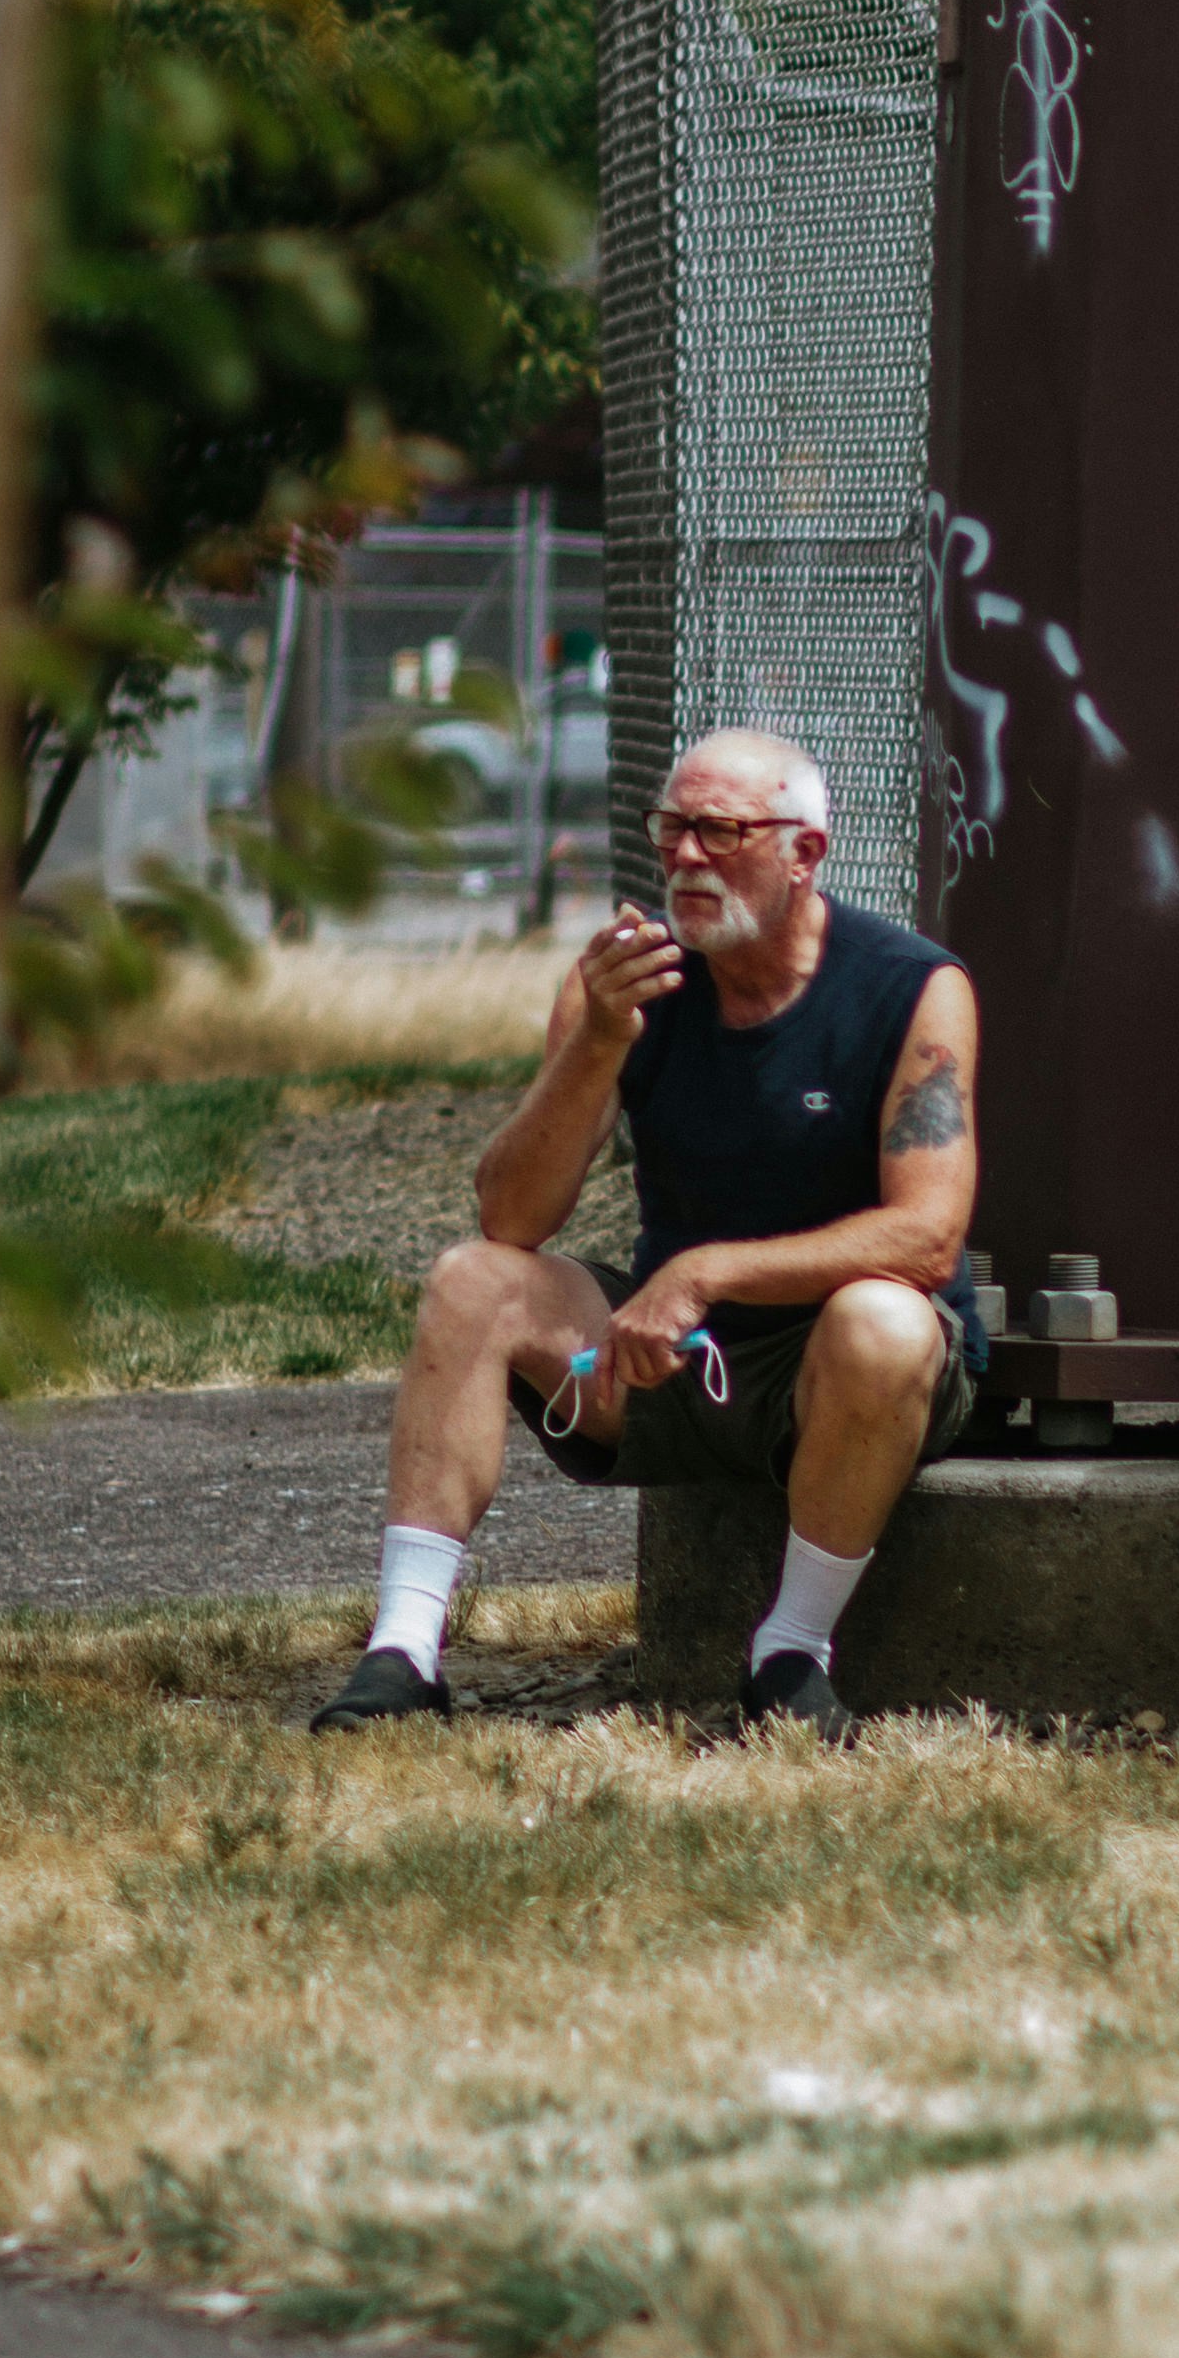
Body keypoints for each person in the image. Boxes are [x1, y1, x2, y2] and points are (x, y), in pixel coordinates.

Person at [306, 728, 983, 1740]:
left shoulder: (912, 987)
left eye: (721, 831)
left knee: (882, 1321)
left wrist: (708, 1272)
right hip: (670, 1363)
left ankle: (791, 1655)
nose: (686, 858)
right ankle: (403, 1652)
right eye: (672, 830)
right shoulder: (619, 985)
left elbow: (927, 1237)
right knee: (469, 1280)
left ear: (805, 854)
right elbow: (513, 1218)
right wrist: (598, 1043)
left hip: (842, 1367)